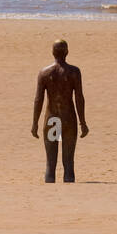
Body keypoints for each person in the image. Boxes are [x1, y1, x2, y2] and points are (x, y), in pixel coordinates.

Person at [31, 39, 88, 183]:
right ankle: (69, 192)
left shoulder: (44, 73)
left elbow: (38, 100)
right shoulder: (74, 72)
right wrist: (83, 122)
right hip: (69, 119)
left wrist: (35, 123)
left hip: (52, 119)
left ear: (52, 52)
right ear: (67, 52)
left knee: (50, 164)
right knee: (68, 164)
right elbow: (79, 98)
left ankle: (50, 192)